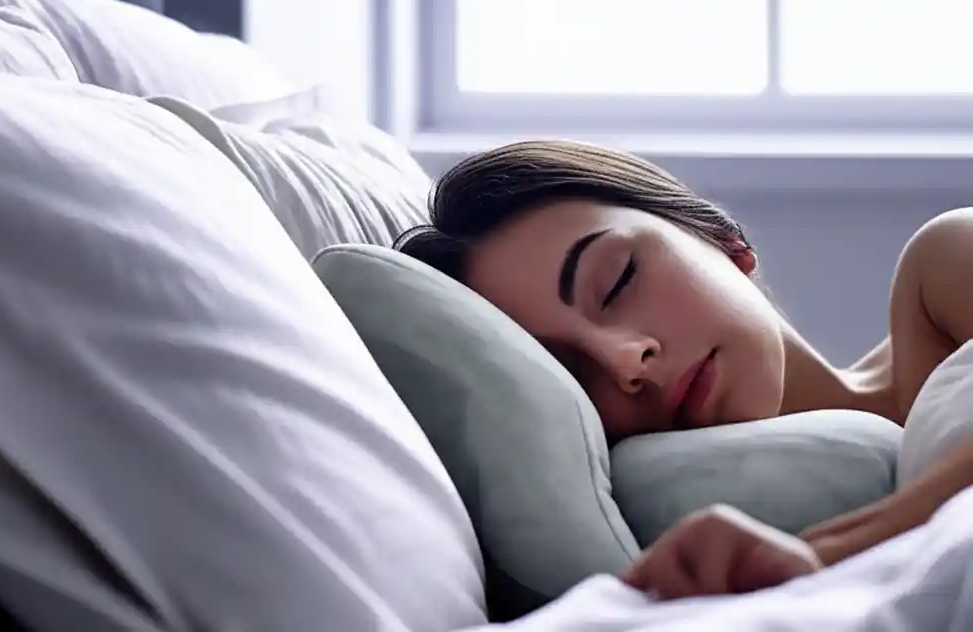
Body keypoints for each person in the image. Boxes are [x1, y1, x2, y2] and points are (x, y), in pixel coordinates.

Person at [394, 140, 973, 601]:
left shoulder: (944, 265)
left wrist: (828, 559)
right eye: (570, 372)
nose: (626, 362)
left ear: (723, 240)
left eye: (617, 280)